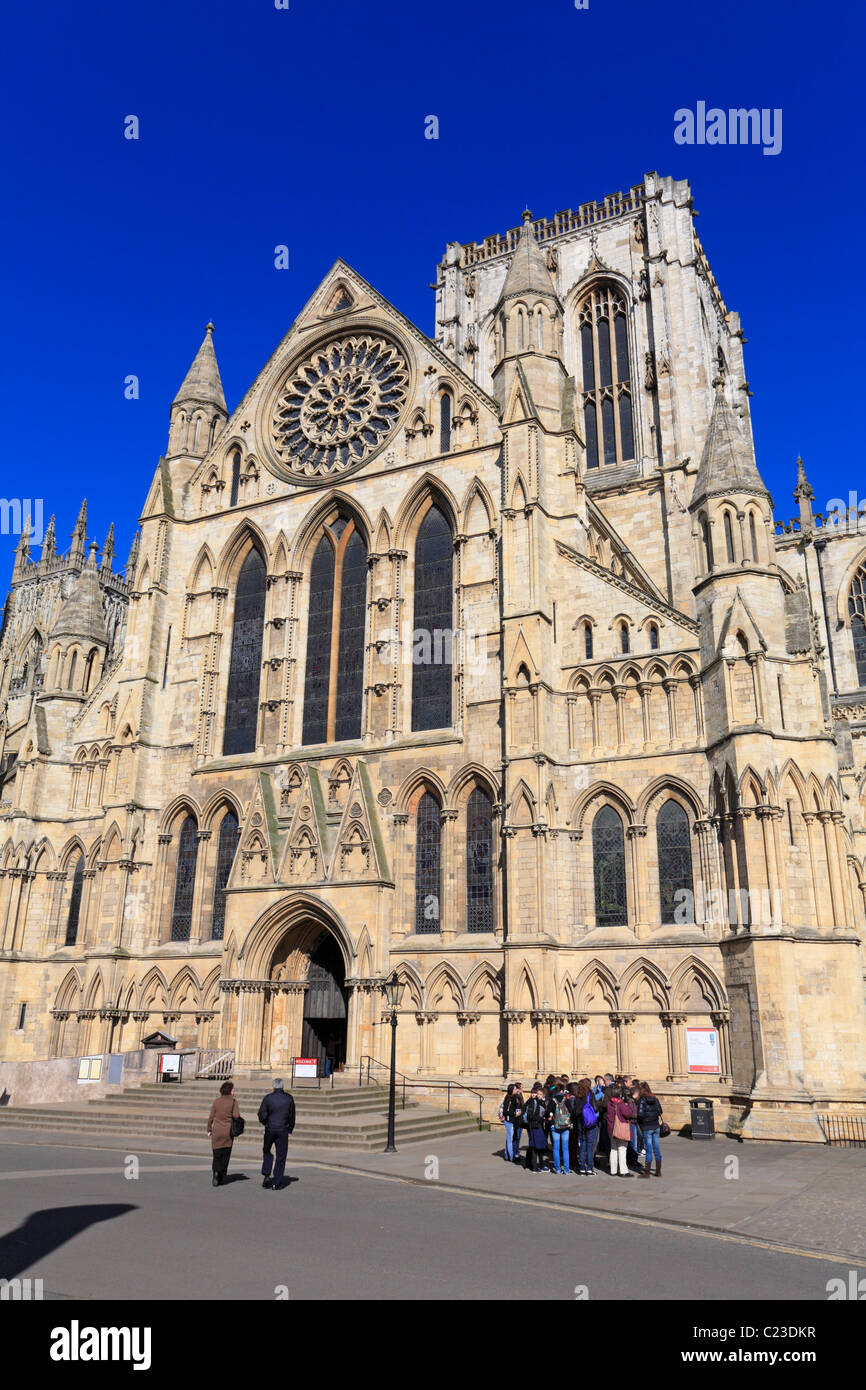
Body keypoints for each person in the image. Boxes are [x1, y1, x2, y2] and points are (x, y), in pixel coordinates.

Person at [257, 1077, 296, 1191]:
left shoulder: (268, 1098)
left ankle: (267, 1174)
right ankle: (277, 1182)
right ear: (283, 1086)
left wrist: (266, 1123)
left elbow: (261, 1115)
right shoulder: (289, 1098)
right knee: (281, 1156)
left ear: (274, 1086)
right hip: (282, 1129)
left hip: (270, 1129)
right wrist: (290, 1129)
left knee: (267, 1151)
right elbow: (292, 1116)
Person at [207, 1080, 241, 1187]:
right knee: (225, 1155)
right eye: (233, 1089)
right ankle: (222, 1176)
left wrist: (209, 1129)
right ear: (230, 1091)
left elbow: (211, 1117)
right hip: (228, 1132)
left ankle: (215, 1173)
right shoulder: (234, 1102)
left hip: (217, 1131)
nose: (234, 1091)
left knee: (216, 1155)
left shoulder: (216, 1101)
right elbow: (236, 1116)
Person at [606, 1082, 635, 1178]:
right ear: (620, 1094)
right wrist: (629, 1105)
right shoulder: (621, 1104)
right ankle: (623, 1171)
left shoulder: (610, 1104)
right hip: (620, 1130)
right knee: (622, 1149)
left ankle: (613, 1170)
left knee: (613, 1149)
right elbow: (628, 1114)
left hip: (611, 1129)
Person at [547, 1080, 575, 1175]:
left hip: (555, 1126)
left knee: (556, 1148)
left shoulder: (552, 1101)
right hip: (565, 1127)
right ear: (563, 1091)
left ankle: (558, 1168)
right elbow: (571, 1111)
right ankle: (566, 1169)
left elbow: (547, 1113)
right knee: (565, 1148)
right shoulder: (566, 1100)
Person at [637, 1081, 664, 1178]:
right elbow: (660, 1111)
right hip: (656, 1126)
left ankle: (647, 1173)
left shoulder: (642, 1100)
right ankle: (658, 1171)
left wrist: (643, 1119)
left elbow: (639, 1114)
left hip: (647, 1127)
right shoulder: (655, 1098)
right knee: (656, 1147)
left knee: (648, 1149)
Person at [574, 1077, 600, 1174]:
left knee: (582, 1145)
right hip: (590, 1124)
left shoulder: (577, 1095)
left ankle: (581, 1167)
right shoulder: (590, 1094)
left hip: (580, 1123)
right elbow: (595, 1108)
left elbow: (575, 1111)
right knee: (590, 1146)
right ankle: (589, 1167)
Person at [523, 1083, 548, 1173]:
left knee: (540, 1146)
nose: (538, 1096)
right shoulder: (533, 1102)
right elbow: (530, 1116)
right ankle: (534, 1167)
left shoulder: (540, 1102)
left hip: (538, 1126)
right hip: (533, 1126)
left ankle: (540, 1165)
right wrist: (541, 1119)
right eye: (538, 1094)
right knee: (534, 1147)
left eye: (540, 1094)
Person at [503, 1082, 525, 1163]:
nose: (517, 1090)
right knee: (510, 1139)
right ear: (512, 1090)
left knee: (510, 1137)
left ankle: (507, 1154)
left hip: (513, 1121)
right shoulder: (509, 1098)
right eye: (515, 1089)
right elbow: (506, 1111)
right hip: (509, 1121)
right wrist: (515, 1113)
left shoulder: (515, 1097)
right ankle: (511, 1156)